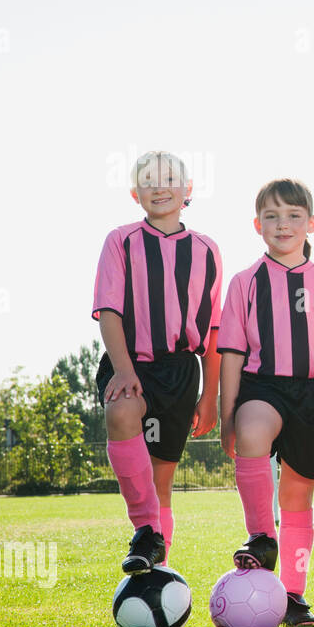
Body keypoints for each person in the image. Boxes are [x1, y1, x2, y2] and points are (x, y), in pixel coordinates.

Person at [218, 178, 314, 627]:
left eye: (293, 215)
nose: (283, 224)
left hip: (313, 396)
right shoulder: (245, 282)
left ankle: (293, 596)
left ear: (311, 223)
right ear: (258, 225)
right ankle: (261, 536)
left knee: (298, 499)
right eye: (272, 216)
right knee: (254, 432)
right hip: (263, 386)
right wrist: (226, 415)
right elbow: (232, 355)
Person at [94, 150, 222, 574]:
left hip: (181, 372)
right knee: (122, 410)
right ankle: (146, 531)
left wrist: (210, 395)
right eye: (149, 180)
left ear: (188, 190)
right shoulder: (121, 240)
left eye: (170, 178)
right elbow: (109, 310)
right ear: (136, 194)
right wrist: (124, 369)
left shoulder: (207, 250)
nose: (160, 186)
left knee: (162, 480)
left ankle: (157, 570)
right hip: (130, 362)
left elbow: (214, 331)